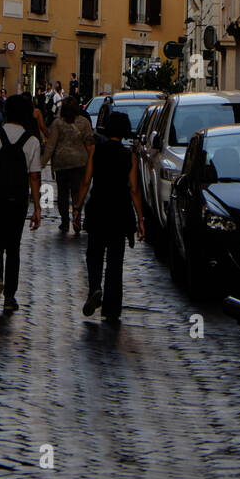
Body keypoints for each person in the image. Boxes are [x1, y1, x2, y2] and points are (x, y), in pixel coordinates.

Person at [74, 110, 145, 323]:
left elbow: (86, 181)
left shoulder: (96, 150)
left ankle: (95, 288)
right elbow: (134, 189)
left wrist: (77, 207)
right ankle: (112, 308)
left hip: (98, 208)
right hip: (120, 211)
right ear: (124, 132)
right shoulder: (128, 156)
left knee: (94, 253)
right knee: (115, 261)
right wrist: (141, 218)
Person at [0, 93, 42, 315]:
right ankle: (10, 297)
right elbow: (34, 176)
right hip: (18, 199)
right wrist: (38, 208)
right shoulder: (32, 141)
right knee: (13, 247)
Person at [42, 97, 94, 234]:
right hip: (80, 161)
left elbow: (50, 146)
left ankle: (64, 221)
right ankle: (77, 216)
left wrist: (41, 163)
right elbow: (90, 143)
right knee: (78, 192)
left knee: (63, 193)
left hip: (61, 162)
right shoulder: (84, 123)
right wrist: (91, 161)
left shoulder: (57, 124)